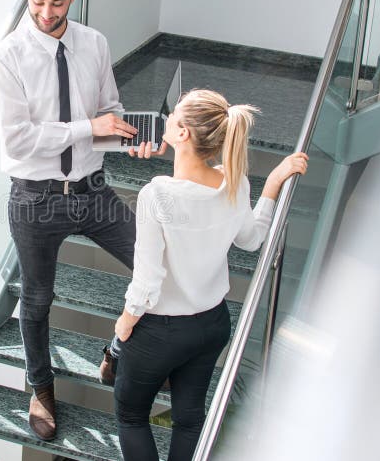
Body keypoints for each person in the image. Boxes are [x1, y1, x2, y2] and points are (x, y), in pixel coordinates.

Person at [0, 0, 164, 441]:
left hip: (92, 191)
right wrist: (90, 127)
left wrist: (127, 138)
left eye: (58, 4)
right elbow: (18, 138)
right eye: (38, 2)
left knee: (157, 265)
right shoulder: (8, 55)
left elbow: (109, 109)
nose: (46, 14)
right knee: (38, 299)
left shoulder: (94, 44)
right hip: (34, 199)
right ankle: (40, 388)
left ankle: (116, 351)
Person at [110, 90, 308, 461]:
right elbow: (251, 240)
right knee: (189, 420)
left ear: (183, 134)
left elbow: (147, 282)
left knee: (131, 415)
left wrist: (123, 326)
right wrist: (273, 183)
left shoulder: (157, 195)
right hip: (211, 325)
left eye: (172, 117)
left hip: (159, 331)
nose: (164, 120)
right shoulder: (233, 182)